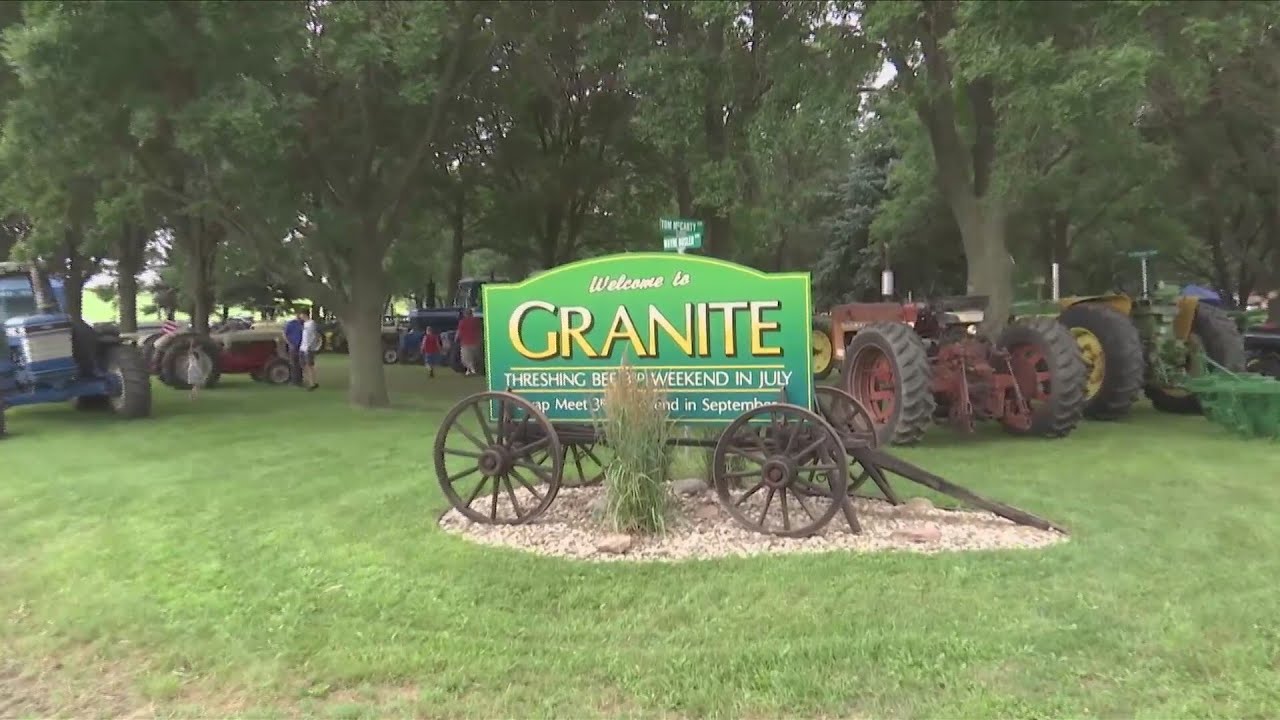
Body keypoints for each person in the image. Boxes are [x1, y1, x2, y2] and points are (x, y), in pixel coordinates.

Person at [456, 309, 483, 376]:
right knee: (475, 358)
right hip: (476, 342)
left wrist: (456, 339)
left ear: (465, 314)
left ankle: (473, 370)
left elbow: (459, 332)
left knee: (466, 358)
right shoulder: (477, 321)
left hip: (466, 343)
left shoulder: (462, 322)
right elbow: (481, 330)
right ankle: (469, 371)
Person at [282, 309, 305, 386]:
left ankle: (300, 380)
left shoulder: (303, 324)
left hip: (301, 346)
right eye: (299, 314)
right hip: (293, 346)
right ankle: (294, 381)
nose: (300, 316)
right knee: (293, 363)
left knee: (300, 363)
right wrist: (289, 343)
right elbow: (284, 334)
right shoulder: (291, 324)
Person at [299, 311, 321, 390]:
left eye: (301, 314)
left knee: (309, 365)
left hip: (309, 348)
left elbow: (314, 336)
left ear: (305, 314)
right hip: (303, 347)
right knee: (304, 365)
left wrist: (310, 346)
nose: (300, 316)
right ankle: (309, 382)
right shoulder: (304, 324)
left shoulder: (312, 323)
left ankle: (312, 384)